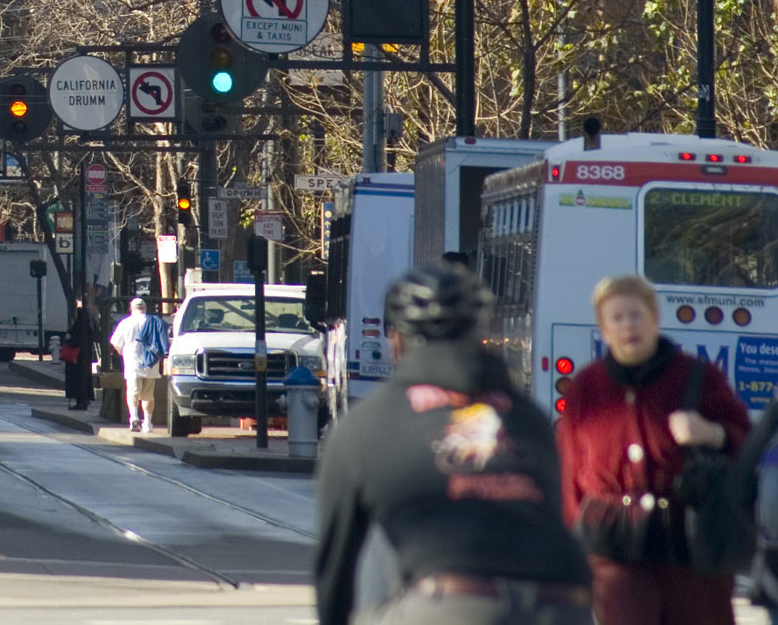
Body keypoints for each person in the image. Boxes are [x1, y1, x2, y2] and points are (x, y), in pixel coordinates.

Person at [314, 264, 590, 625]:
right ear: (480, 334)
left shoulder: (365, 426)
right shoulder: (529, 418)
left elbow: (336, 569)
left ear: (395, 340)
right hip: (563, 605)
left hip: (452, 605)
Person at [558, 273, 750, 625]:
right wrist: (569, 547)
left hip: (690, 542)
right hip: (615, 547)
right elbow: (569, 470)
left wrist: (712, 433)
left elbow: (744, 439)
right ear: (604, 328)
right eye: (617, 317)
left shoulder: (697, 376)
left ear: (655, 320)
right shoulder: (587, 387)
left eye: (637, 315)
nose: (629, 325)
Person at [108, 296, 169, 433]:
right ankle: (147, 422)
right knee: (148, 395)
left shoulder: (125, 323)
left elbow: (116, 343)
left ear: (131, 308)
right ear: (145, 308)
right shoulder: (155, 322)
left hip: (132, 363)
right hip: (151, 364)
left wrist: (123, 353)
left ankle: (134, 418)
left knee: (133, 392)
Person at [61, 299, 96, 411]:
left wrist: (68, 338)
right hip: (82, 359)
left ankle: (81, 400)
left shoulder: (79, 326)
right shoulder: (87, 326)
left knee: (78, 380)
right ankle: (83, 399)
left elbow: (76, 340)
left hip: (77, 360)